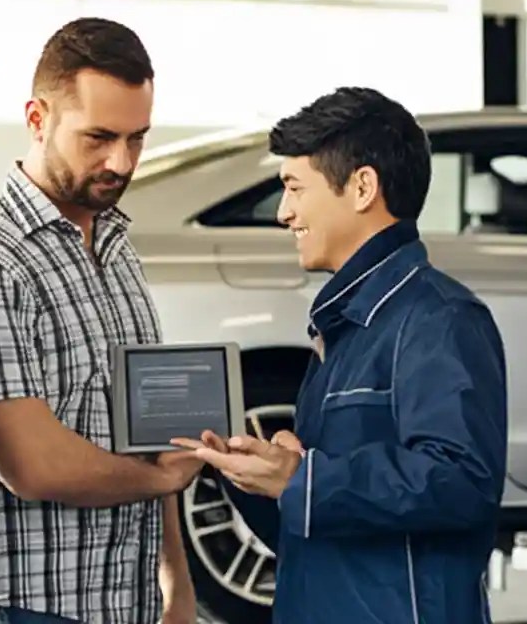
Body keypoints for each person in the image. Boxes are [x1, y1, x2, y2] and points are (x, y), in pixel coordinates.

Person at [174, 87, 509, 624]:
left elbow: (462, 483)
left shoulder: (438, 318)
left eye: (294, 188)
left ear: (362, 187)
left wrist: (303, 478)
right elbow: (316, 524)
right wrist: (256, 480)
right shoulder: (344, 328)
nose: (284, 213)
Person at [0, 17, 202, 624]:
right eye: (98, 137)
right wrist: (162, 483)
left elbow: (153, 444)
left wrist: (177, 585)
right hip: (21, 607)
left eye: (137, 139)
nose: (120, 162)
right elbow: (33, 466)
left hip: (130, 607)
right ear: (38, 119)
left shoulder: (116, 246)